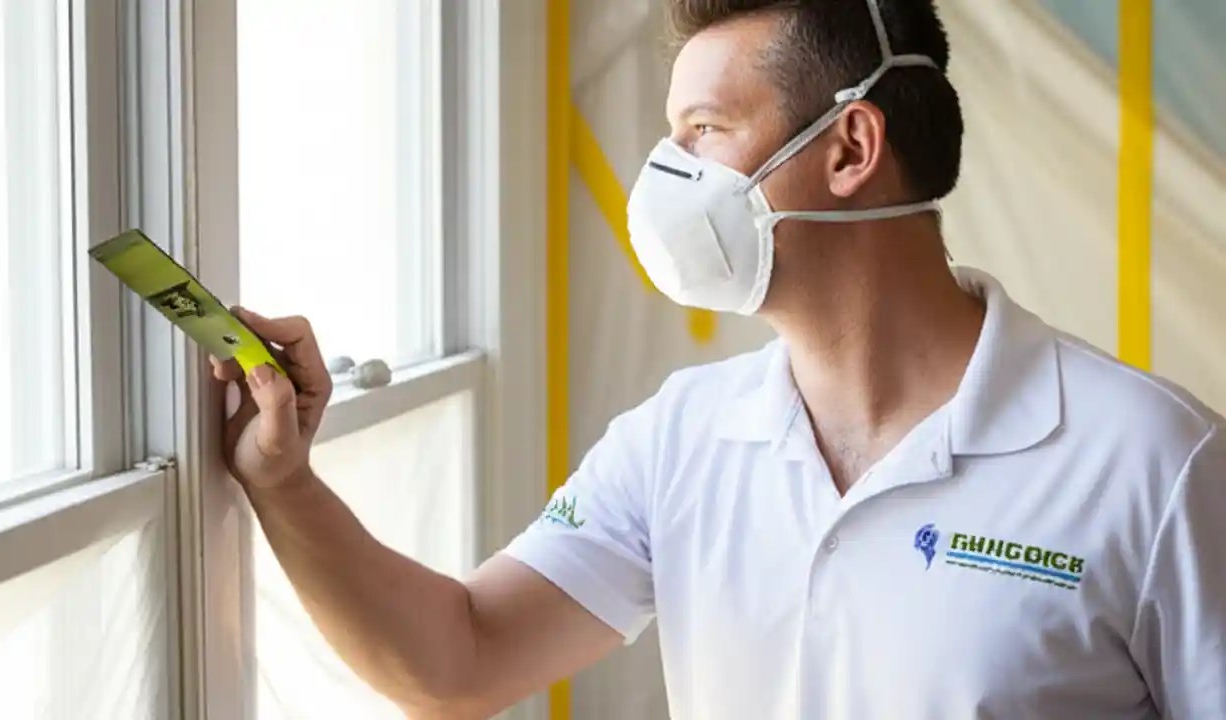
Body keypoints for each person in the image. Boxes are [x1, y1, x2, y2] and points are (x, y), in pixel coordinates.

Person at [213, 0, 1226, 717]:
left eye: (704, 133)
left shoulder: (1148, 461)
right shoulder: (682, 439)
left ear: (848, 148)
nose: (664, 178)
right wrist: (284, 482)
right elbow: (457, 663)